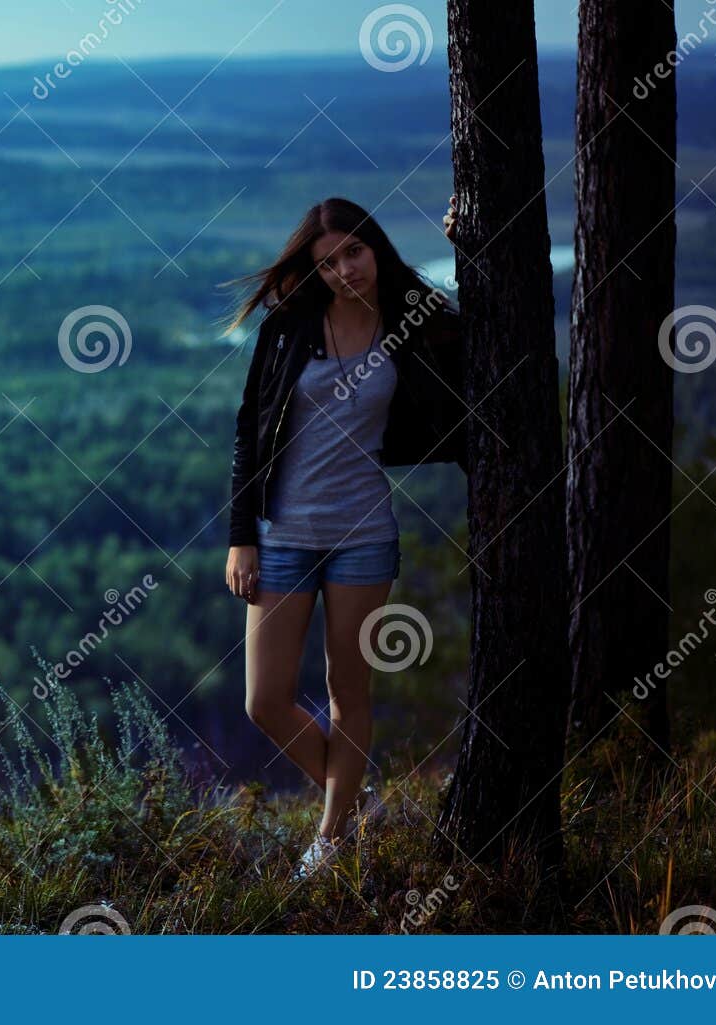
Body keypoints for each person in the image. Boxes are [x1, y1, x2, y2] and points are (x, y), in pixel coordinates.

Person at [221, 195, 469, 881]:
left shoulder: (410, 319)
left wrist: (468, 241)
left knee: (347, 691)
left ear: (375, 247)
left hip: (363, 533)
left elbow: (489, 325)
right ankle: (356, 800)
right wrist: (241, 538)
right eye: (326, 263)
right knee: (265, 699)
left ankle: (331, 841)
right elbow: (249, 428)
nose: (342, 271)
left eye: (352, 253)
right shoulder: (289, 327)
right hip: (282, 537)